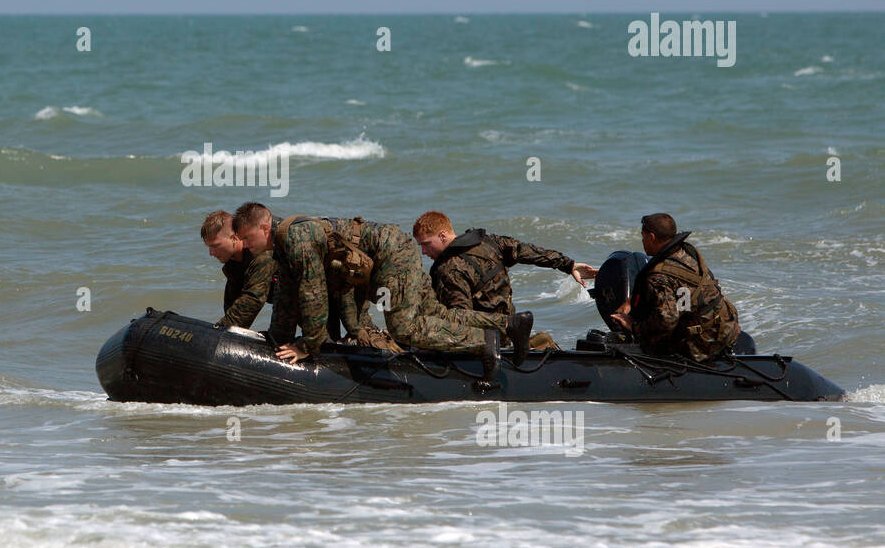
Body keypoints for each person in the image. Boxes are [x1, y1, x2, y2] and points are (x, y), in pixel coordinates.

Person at [232, 203, 533, 373]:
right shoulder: (282, 245)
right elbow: (286, 297)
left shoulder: (296, 238)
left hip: (392, 255)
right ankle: (509, 324)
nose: (244, 247)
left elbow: (315, 296)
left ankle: (485, 342)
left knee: (403, 328)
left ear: (265, 228)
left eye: (247, 239)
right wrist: (277, 339)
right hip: (387, 254)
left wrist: (307, 346)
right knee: (433, 312)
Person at [412, 211, 597, 351]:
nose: (423, 252)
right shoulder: (490, 242)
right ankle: (535, 343)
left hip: (485, 340)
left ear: (443, 235)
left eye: (426, 244)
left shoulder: (447, 269)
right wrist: (569, 265)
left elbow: (459, 317)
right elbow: (528, 252)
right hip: (509, 333)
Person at [609, 213, 740, 362]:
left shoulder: (658, 276)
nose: (643, 241)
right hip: (726, 328)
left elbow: (667, 321)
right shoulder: (687, 253)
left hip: (701, 345)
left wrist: (633, 326)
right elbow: (680, 286)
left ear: (651, 237)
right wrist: (631, 301)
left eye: (643, 236)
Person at [200, 210, 275, 329]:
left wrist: (224, 328)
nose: (211, 253)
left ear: (234, 238)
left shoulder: (259, 253)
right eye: (209, 247)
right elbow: (233, 309)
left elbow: (253, 299)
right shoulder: (232, 267)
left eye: (215, 246)